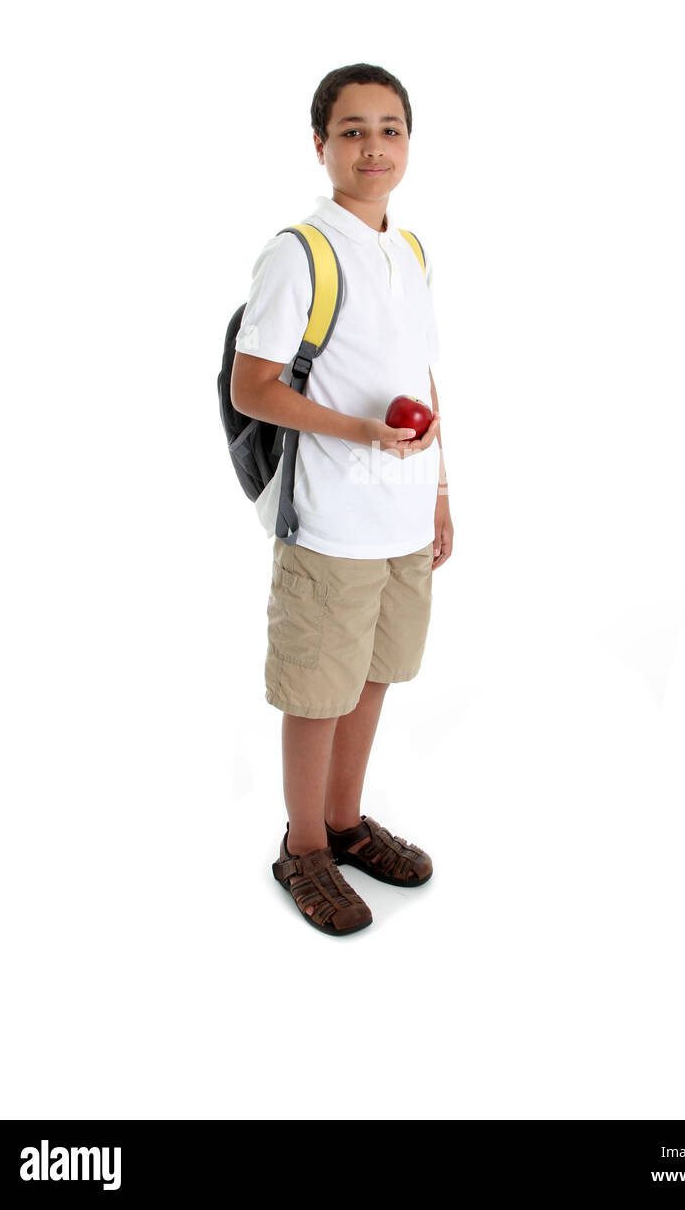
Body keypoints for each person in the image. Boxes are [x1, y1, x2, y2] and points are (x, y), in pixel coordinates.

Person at [230, 63, 453, 935]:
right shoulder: (301, 252)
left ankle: (350, 824)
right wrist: (357, 434)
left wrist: (438, 488)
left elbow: (420, 376)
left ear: (407, 143)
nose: (373, 146)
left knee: (372, 677)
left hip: (400, 516)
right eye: (353, 130)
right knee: (317, 690)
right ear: (320, 144)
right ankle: (306, 846)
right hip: (328, 519)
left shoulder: (410, 249)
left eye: (389, 128)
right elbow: (254, 386)